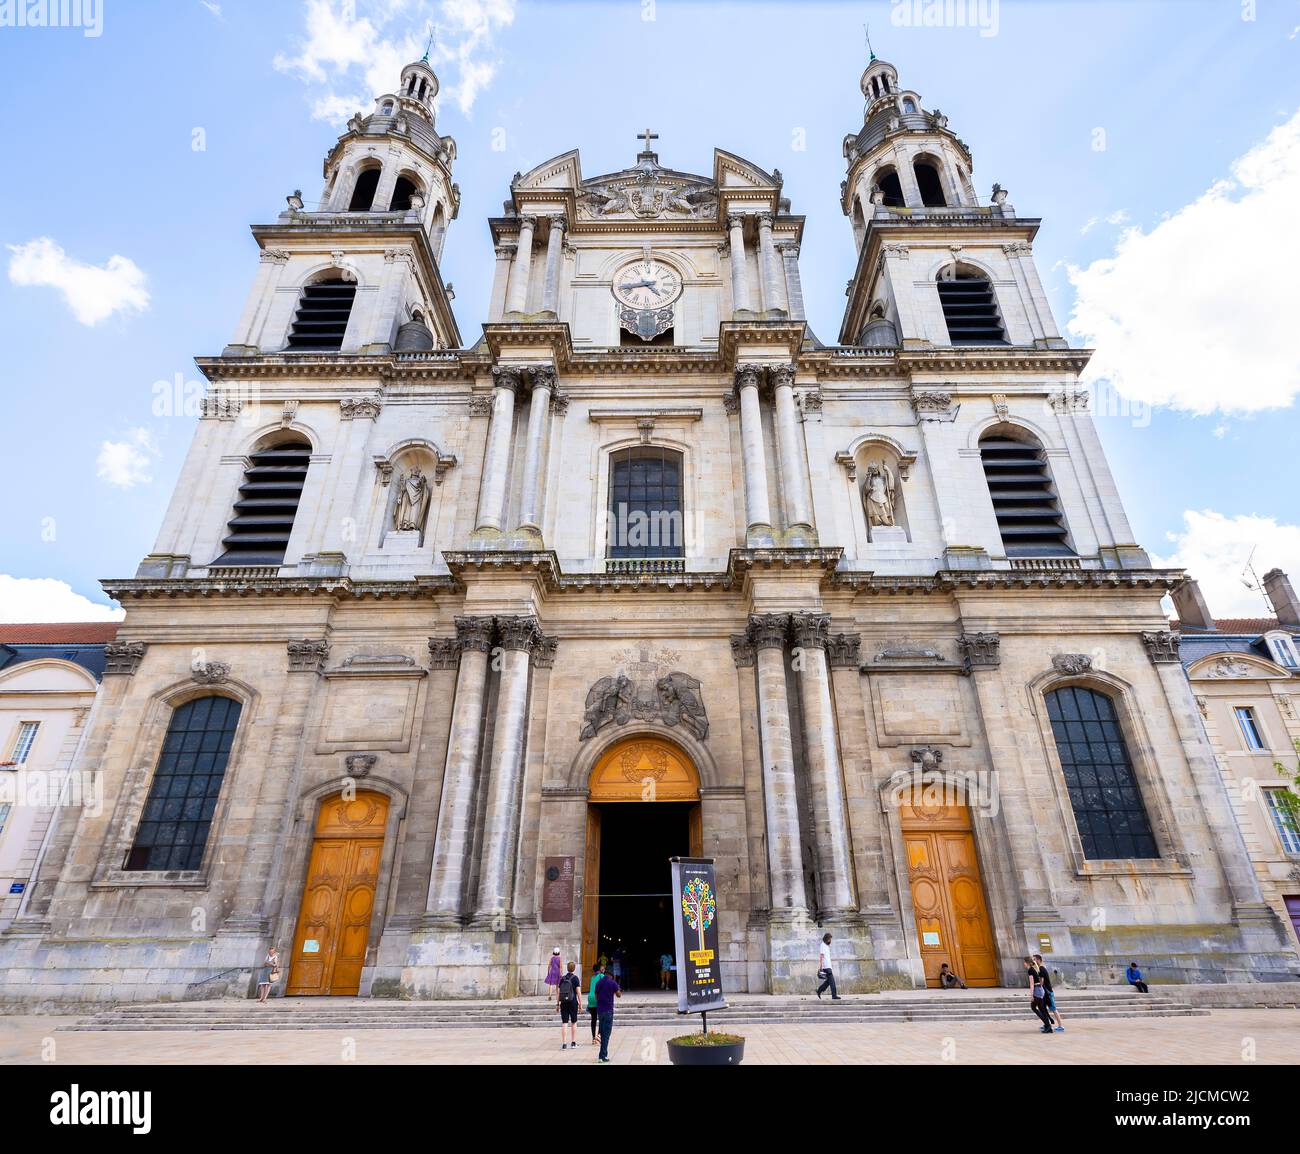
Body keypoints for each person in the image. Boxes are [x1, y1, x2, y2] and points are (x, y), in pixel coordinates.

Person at [594, 964, 622, 1063]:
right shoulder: (613, 983)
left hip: (600, 1010)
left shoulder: (599, 982)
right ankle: (602, 1056)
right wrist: (617, 989)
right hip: (608, 1011)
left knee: (602, 1032)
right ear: (611, 974)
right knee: (606, 1034)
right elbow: (619, 995)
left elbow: (596, 996)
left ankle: (602, 1054)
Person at [1032, 953, 1064, 1031]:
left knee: (1053, 1009)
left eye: (1034, 959)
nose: (1033, 961)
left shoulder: (1041, 969)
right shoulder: (1040, 968)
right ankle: (1046, 1024)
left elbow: (1041, 982)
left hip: (1048, 992)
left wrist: (1036, 986)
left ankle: (1061, 1026)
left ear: (1038, 960)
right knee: (1044, 1009)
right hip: (1045, 992)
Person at [556, 960, 582, 1050]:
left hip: (563, 1002)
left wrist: (557, 1004)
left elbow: (559, 993)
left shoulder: (562, 978)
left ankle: (564, 1044)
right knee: (574, 1022)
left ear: (567, 968)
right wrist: (580, 1004)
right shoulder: (575, 978)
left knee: (564, 1023)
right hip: (573, 1002)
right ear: (574, 969)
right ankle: (573, 1043)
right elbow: (578, 992)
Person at [1025, 956, 1053, 1033]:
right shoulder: (1034, 968)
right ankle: (1048, 1025)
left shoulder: (1030, 970)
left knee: (1033, 1007)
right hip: (1040, 990)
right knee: (1041, 1009)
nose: (1024, 964)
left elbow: (1031, 984)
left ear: (1027, 963)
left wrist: (1031, 995)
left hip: (1037, 990)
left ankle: (1048, 1025)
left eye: (1024, 962)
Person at [816, 932, 841, 1000]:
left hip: (828, 966)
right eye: (829, 939)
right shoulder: (822, 945)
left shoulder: (826, 946)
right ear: (826, 939)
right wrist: (821, 967)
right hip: (826, 967)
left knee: (828, 981)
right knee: (832, 981)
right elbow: (821, 956)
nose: (830, 941)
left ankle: (819, 990)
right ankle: (834, 995)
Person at [586, 962, 604, 1046]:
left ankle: (593, 1038)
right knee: (601, 1019)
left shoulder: (592, 978)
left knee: (593, 1019)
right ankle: (599, 1036)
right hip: (597, 998)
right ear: (600, 969)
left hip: (590, 998)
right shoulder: (601, 976)